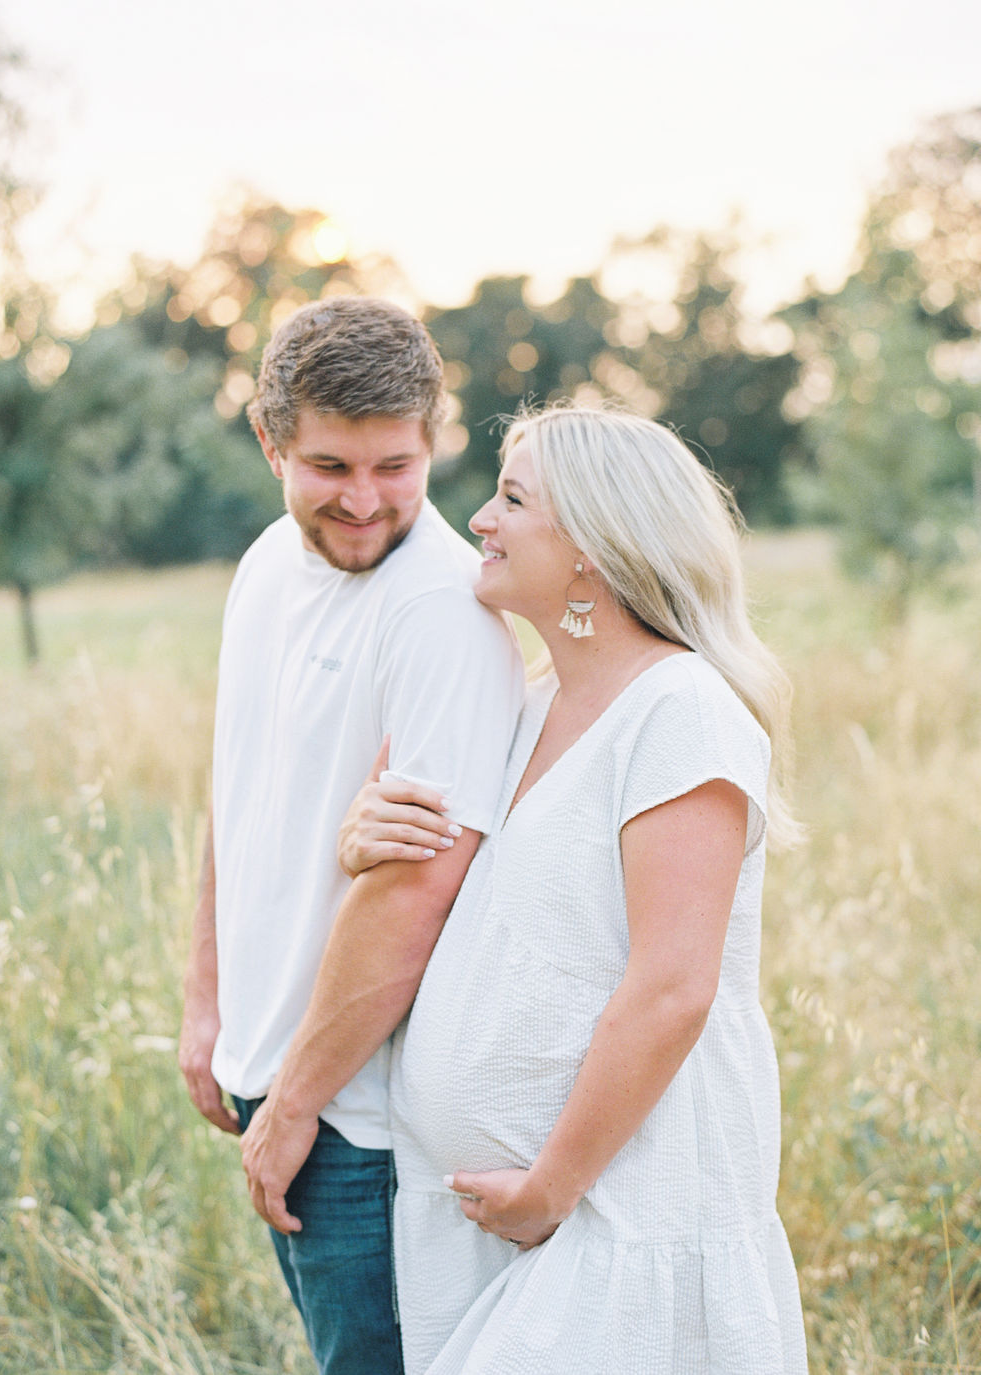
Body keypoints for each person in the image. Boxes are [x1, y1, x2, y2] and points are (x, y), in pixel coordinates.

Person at [340, 403, 809, 1373]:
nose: (479, 518)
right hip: (507, 1220)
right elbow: (485, 903)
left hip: (618, 1210)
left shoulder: (679, 712)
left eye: (511, 499)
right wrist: (363, 838)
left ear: (593, 546)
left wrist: (553, 1185)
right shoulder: (537, 698)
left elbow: (673, 986)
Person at [178, 296, 524, 1375]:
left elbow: (418, 893)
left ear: (432, 441)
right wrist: (208, 998)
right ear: (269, 439)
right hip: (272, 1074)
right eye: (330, 466)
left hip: (359, 1124)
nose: (366, 502)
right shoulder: (262, 570)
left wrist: (294, 1103)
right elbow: (237, 795)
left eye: (396, 467)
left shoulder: (442, 615)